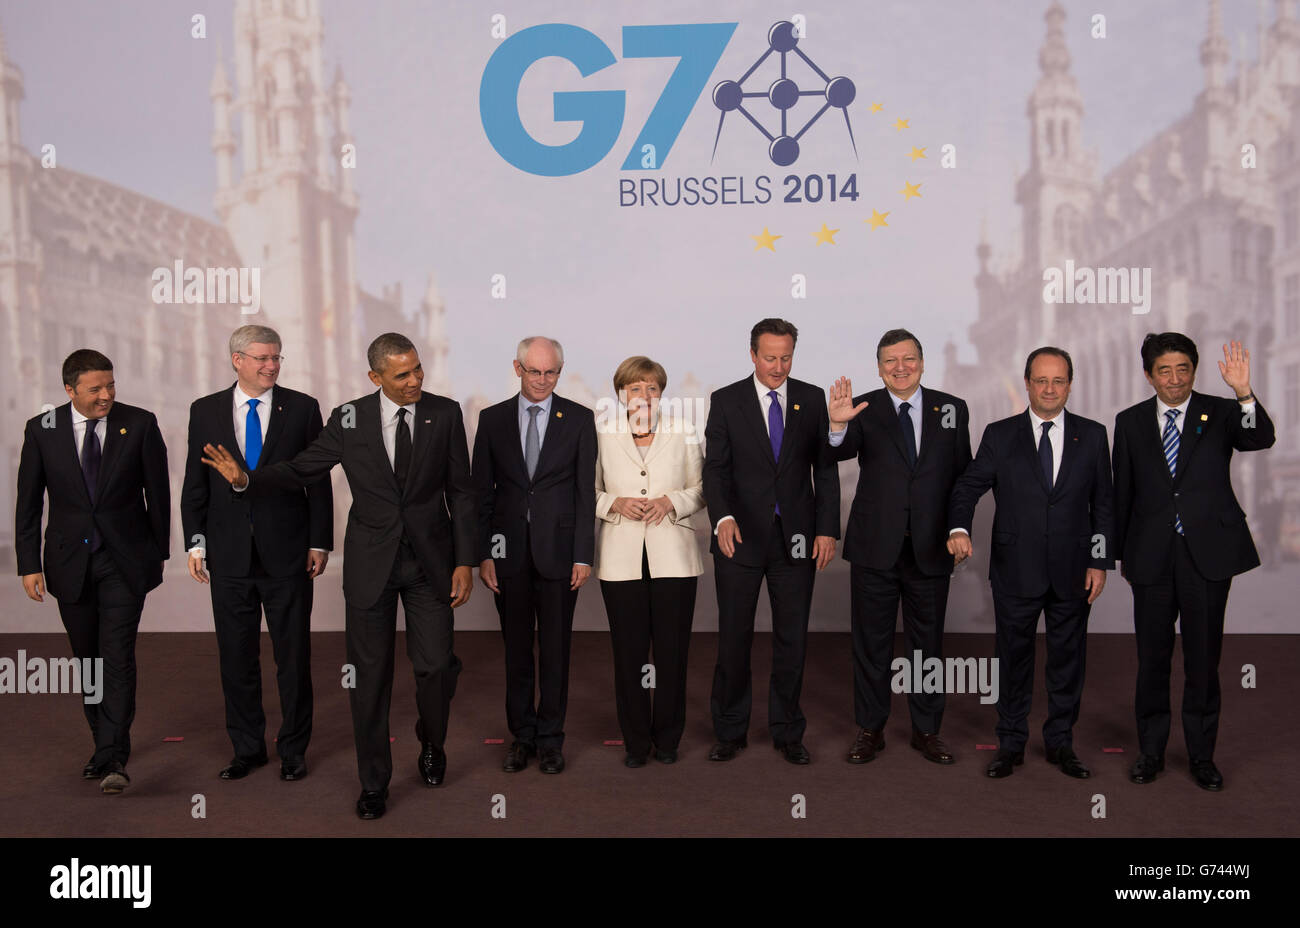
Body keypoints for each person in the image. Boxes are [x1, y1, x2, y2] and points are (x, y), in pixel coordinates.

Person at [202, 333, 475, 820]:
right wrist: (248, 480)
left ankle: (432, 742)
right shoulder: (349, 417)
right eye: (402, 375)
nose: (415, 381)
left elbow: (463, 492)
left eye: (418, 370)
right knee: (368, 679)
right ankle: (374, 782)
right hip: (372, 565)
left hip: (431, 564)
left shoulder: (446, 413)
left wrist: (464, 561)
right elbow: (304, 468)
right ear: (376, 379)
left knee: (435, 668)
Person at [1113, 335, 1274, 791]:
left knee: (1203, 662)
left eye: (1183, 368)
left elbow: (1260, 438)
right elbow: (1122, 490)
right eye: (1164, 370)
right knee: (1152, 661)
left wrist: (1243, 391)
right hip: (1151, 558)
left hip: (1207, 555)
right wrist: (1121, 556)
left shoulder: (1221, 411)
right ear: (1149, 375)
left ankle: (1202, 756)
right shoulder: (1129, 422)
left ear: (1195, 370)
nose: (1175, 378)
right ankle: (1151, 753)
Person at [947, 347, 1113, 780]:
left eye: (1058, 381)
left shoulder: (1093, 436)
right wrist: (958, 528)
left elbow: (1104, 506)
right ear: (1027, 383)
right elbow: (967, 487)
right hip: (1014, 569)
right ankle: (1010, 744)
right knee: (1013, 660)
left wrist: (1100, 561)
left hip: (1073, 571)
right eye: (1041, 380)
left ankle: (1061, 744)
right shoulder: (1000, 435)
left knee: (1067, 662)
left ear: (1070, 385)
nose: (1049, 389)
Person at [181, 325, 333, 783]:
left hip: (287, 554)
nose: (271, 366)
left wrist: (319, 540)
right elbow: (195, 483)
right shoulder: (204, 410)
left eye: (277, 358)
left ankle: (293, 750)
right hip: (227, 557)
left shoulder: (303, 408)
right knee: (236, 657)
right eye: (262, 358)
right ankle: (246, 749)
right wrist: (195, 541)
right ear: (237, 359)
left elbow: (318, 480)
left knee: (292, 656)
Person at [15, 349, 170, 794]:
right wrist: (28, 563)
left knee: (117, 655)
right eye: (95, 389)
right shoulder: (41, 429)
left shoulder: (139, 423)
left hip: (124, 560)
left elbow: (157, 495)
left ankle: (113, 757)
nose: (106, 395)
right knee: (87, 661)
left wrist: (158, 553)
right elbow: (29, 503)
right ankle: (104, 744)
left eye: (111, 385)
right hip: (69, 562)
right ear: (69, 390)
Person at [827, 328, 972, 766]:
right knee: (871, 643)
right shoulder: (864, 408)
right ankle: (870, 729)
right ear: (879, 368)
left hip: (931, 549)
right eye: (890, 360)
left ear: (923, 363)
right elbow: (839, 453)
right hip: (875, 548)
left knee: (927, 646)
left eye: (908, 359)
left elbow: (962, 477)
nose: (900, 367)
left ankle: (927, 730)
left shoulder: (952, 409)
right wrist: (837, 424)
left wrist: (958, 526)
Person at [704, 318, 840, 765]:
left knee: (792, 640)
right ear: (752, 354)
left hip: (796, 541)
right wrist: (721, 516)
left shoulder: (812, 398)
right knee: (733, 639)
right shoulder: (726, 401)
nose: (778, 366)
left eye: (786, 357)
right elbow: (716, 469)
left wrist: (826, 528)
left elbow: (825, 469)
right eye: (769, 357)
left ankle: (787, 732)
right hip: (739, 538)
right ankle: (729, 730)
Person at [473, 336, 596, 775]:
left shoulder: (579, 419)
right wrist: (484, 554)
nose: (542, 380)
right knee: (517, 652)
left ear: (559, 373)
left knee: (557, 652)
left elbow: (585, 492)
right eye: (534, 371)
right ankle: (521, 737)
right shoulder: (491, 420)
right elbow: (481, 495)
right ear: (517, 368)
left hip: (561, 555)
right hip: (507, 557)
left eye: (551, 372)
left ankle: (550, 740)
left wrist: (584, 554)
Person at [594, 357, 705, 767]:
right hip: (620, 559)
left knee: (673, 653)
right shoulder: (602, 434)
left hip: (674, 558)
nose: (644, 395)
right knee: (629, 654)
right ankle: (636, 743)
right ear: (620, 393)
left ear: (662, 392)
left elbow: (701, 488)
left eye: (652, 388)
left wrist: (670, 502)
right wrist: (613, 502)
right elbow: (583, 491)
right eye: (635, 388)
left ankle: (669, 739)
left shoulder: (683, 430)